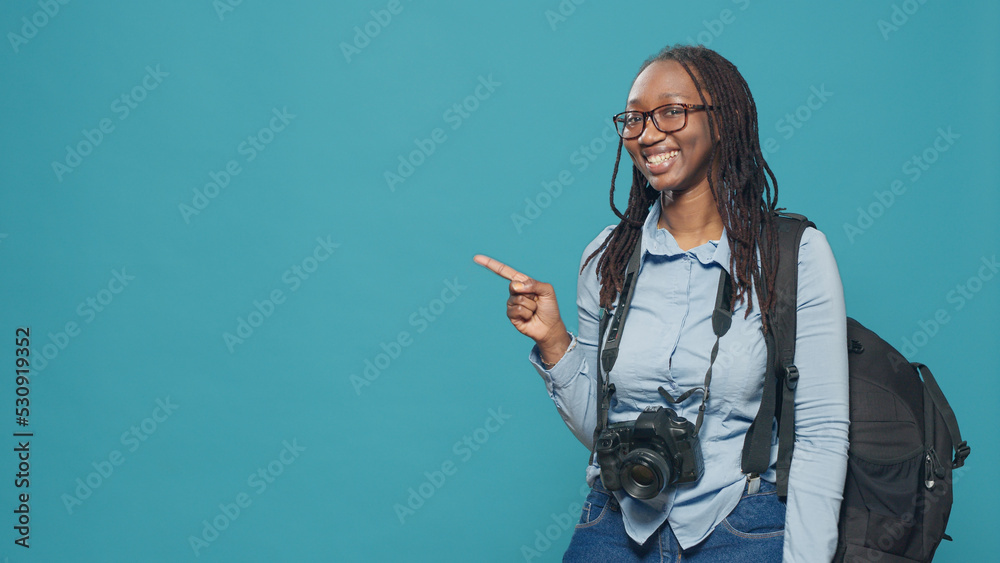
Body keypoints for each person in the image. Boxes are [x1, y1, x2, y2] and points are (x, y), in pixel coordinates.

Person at [474, 44, 848, 562]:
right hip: (616, 522)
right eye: (635, 118)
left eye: (671, 111)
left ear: (723, 120)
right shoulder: (607, 258)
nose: (649, 134)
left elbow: (823, 434)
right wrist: (556, 342)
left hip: (744, 526)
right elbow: (601, 432)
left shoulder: (791, 254)